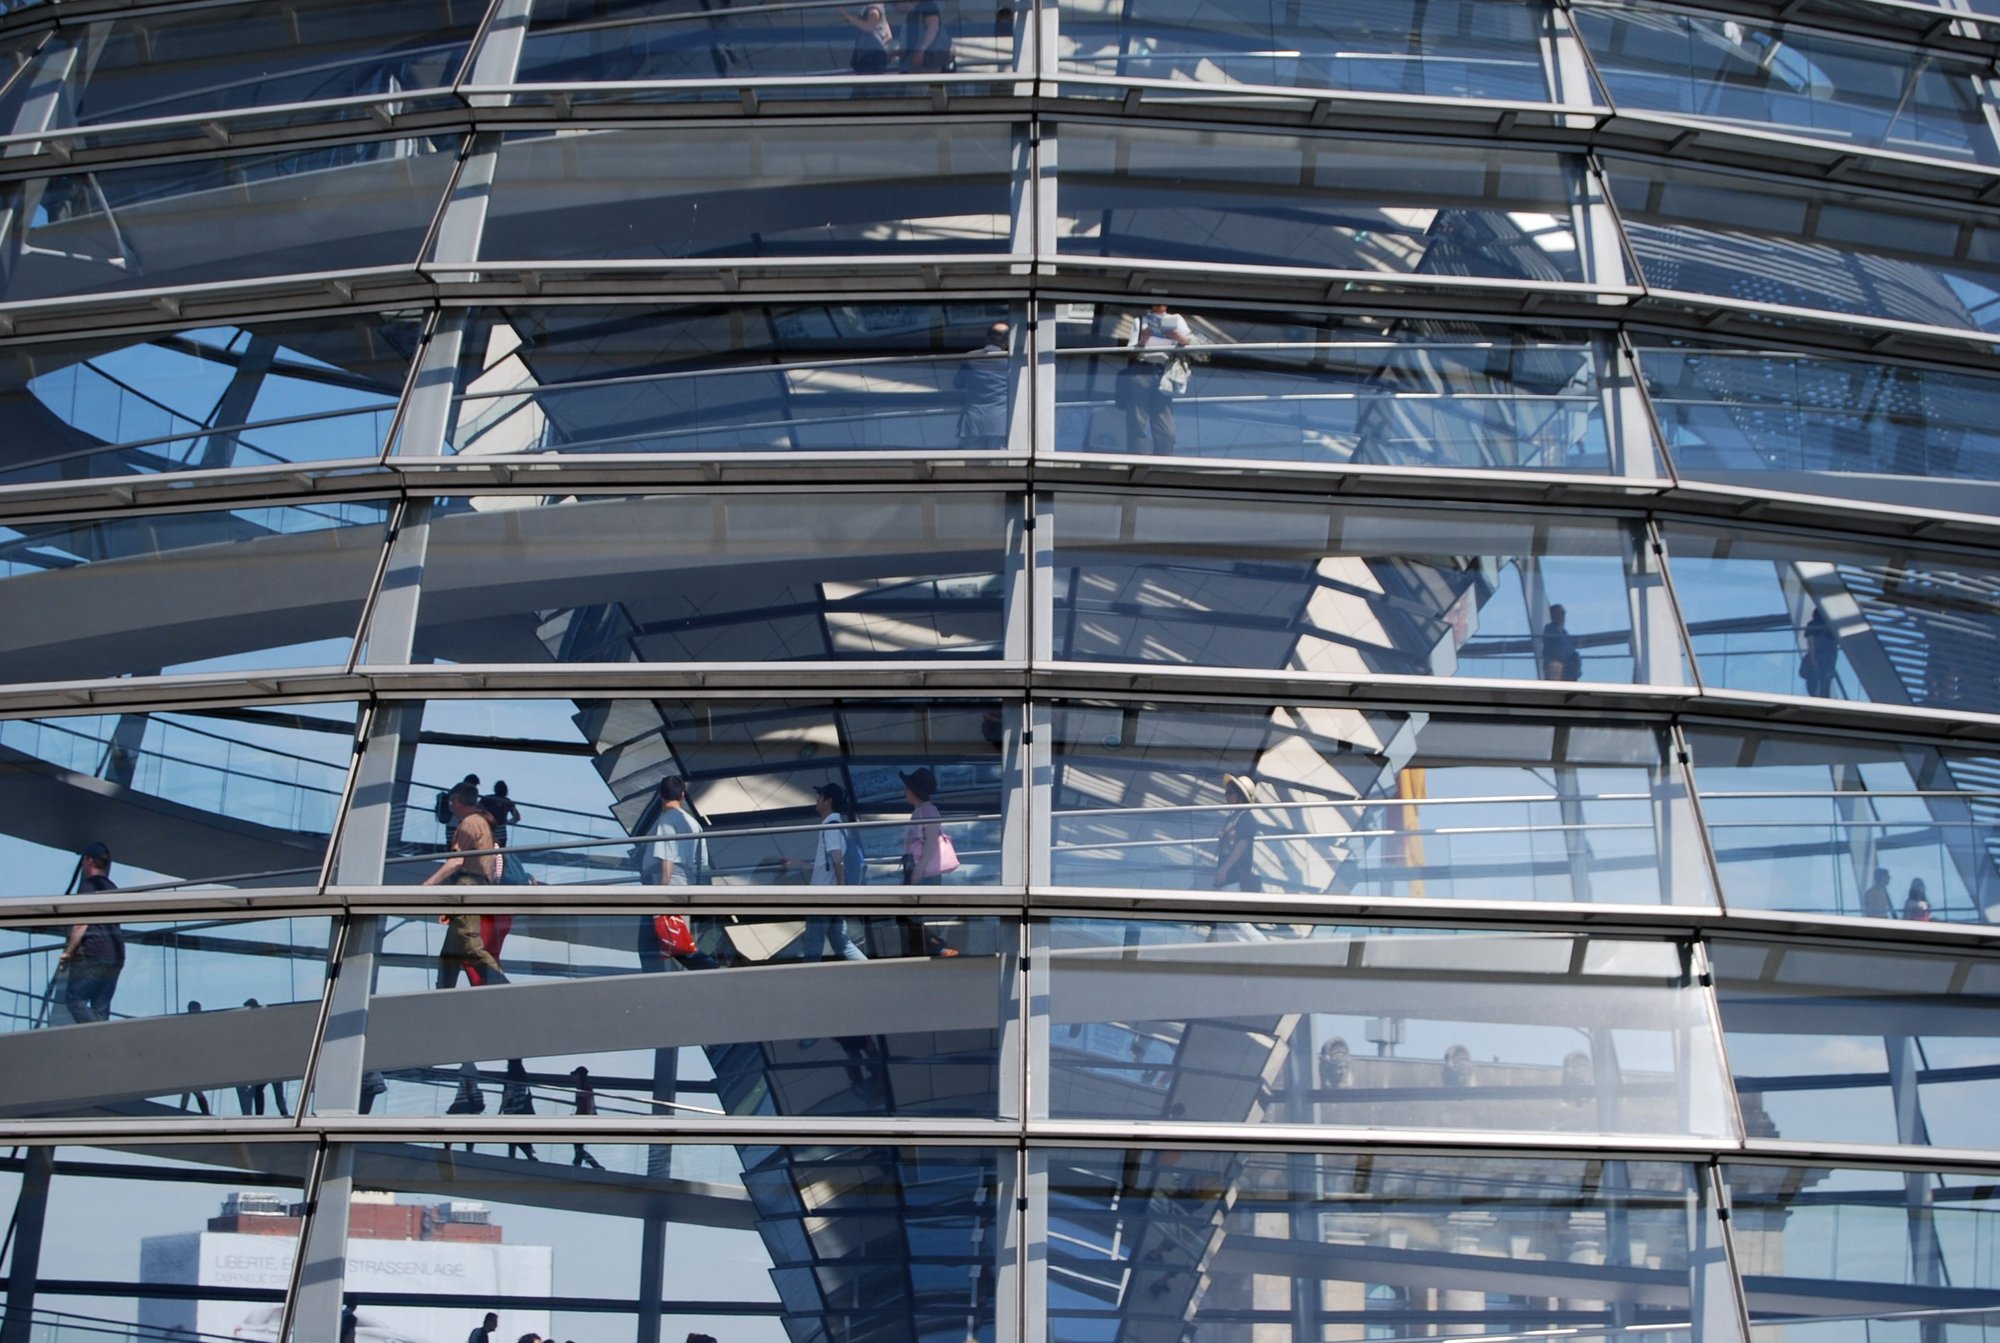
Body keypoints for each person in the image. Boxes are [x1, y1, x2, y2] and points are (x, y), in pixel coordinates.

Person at [428, 783, 507, 988]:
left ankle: (503, 986)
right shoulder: (482, 822)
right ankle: (442, 993)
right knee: (451, 953)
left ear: (458, 800)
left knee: (470, 945)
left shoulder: (469, 824)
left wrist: (428, 885)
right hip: (476, 885)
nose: (451, 806)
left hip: (468, 884)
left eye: (452, 801)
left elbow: (456, 861)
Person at [794, 783, 869, 963]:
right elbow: (827, 865)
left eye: (820, 796)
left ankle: (808, 983)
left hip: (824, 896)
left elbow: (837, 860)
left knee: (813, 944)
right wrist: (797, 864)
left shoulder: (831, 826)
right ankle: (868, 969)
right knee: (841, 943)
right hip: (831, 894)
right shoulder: (837, 825)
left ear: (828, 801)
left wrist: (840, 892)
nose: (817, 800)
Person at [61, 842, 124, 1024]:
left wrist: (68, 952)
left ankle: (101, 1040)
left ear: (88, 860)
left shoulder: (88, 887)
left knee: (74, 1000)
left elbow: (81, 923)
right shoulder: (113, 888)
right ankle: (102, 1046)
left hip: (93, 954)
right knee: (100, 1010)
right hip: (116, 956)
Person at [900, 767, 959, 956]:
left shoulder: (928, 810)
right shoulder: (920, 811)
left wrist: (919, 870)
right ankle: (931, 947)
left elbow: (931, 840)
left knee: (911, 915)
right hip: (916, 868)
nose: (905, 791)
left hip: (921, 870)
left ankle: (936, 948)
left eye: (908, 788)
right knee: (908, 915)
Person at [1120, 303, 1193, 454]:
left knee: (1165, 427)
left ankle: (1162, 460)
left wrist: (1178, 337)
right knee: (1137, 419)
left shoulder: (1176, 319)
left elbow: (1189, 344)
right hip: (1141, 370)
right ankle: (1137, 459)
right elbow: (1130, 352)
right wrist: (1144, 339)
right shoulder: (1140, 321)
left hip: (1163, 372)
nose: (1160, 305)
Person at [953, 321, 1010, 449]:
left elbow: (958, 384)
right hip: (999, 421)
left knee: (975, 465)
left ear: (988, 337)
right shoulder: (1009, 361)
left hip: (973, 420)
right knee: (999, 465)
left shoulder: (970, 357)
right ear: (1007, 341)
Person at [234, 999, 291, 1115]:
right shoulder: (262, 1022)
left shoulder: (259, 1024)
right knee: (266, 1092)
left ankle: (270, 1113)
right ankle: (275, 1113)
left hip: (270, 1067)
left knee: (271, 1093)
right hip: (268, 1067)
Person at [650, 776, 707, 886]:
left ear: (660, 795)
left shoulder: (666, 821)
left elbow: (667, 857)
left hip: (672, 880)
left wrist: (662, 891)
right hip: (690, 880)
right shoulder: (694, 824)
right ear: (682, 795)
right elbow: (703, 860)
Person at [1213, 773, 1260, 893]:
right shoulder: (1234, 817)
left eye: (1231, 792)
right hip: (1228, 877)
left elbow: (1242, 843)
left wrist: (1224, 869)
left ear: (1241, 795)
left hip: (1236, 878)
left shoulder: (1246, 817)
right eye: (1226, 793)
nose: (1227, 796)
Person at [481, 781, 532, 886]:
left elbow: (478, 809)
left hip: (489, 829)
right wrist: (507, 822)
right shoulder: (507, 802)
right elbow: (517, 817)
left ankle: (487, 874)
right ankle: (499, 876)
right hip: (502, 831)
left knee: (486, 852)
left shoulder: (487, 799)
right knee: (501, 855)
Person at [839, 3, 894, 74]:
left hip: (870, 56)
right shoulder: (878, 6)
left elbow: (870, 27)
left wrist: (847, 16)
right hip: (873, 54)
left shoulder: (874, 8)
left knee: (866, 81)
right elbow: (889, 36)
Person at [500, 1059, 538, 1161]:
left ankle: (513, 1157)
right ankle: (529, 1155)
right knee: (519, 1136)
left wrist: (500, 1111)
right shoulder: (523, 1075)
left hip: (511, 1110)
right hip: (522, 1110)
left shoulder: (509, 1076)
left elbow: (507, 1094)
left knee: (511, 1136)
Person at [897, 0, 951, 70]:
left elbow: (933, 27)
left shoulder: (927, 6)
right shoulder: (914, 11)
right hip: (914, 60)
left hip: (928, 60)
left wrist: (920, 50)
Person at [178, 1001, 211, 1114]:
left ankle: (183, 1110)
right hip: (191, 1063)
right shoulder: (199, 1023)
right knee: (190, 1090)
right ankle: (186, 1109)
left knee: (190, 1090)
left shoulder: (187, 1023)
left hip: (191, 1063)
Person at [569, 1066, 603, 1169]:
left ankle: (592, 1165)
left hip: (582, 1121)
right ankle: (579, 1164)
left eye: (575, 1074)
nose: (573, 1077)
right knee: (578, 1146)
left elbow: (588, 1105)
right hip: (581, 1120)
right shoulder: (583, 1087)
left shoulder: (584, 1088)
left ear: (580, 1075)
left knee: (578, 1146)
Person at [1801, 606, 1837, 698]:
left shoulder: (1813, 624)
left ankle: (1815, 698)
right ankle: (1824, 699)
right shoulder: (1830, 626)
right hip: (1828, 658)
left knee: (1813, 681)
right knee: (1825, 682)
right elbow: (1834, 647)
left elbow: (1811, 645)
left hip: (1819, 656)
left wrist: (1813, 660)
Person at [1541, 604, 1581, 681]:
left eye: (1563, 614)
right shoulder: (1549, 629)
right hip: (1555, 663)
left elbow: (1569, 649)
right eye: (1561, 613)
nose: (1563, 617)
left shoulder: (1564, 632)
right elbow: (1554, 647)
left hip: (1567, 666)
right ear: (1553, 615)